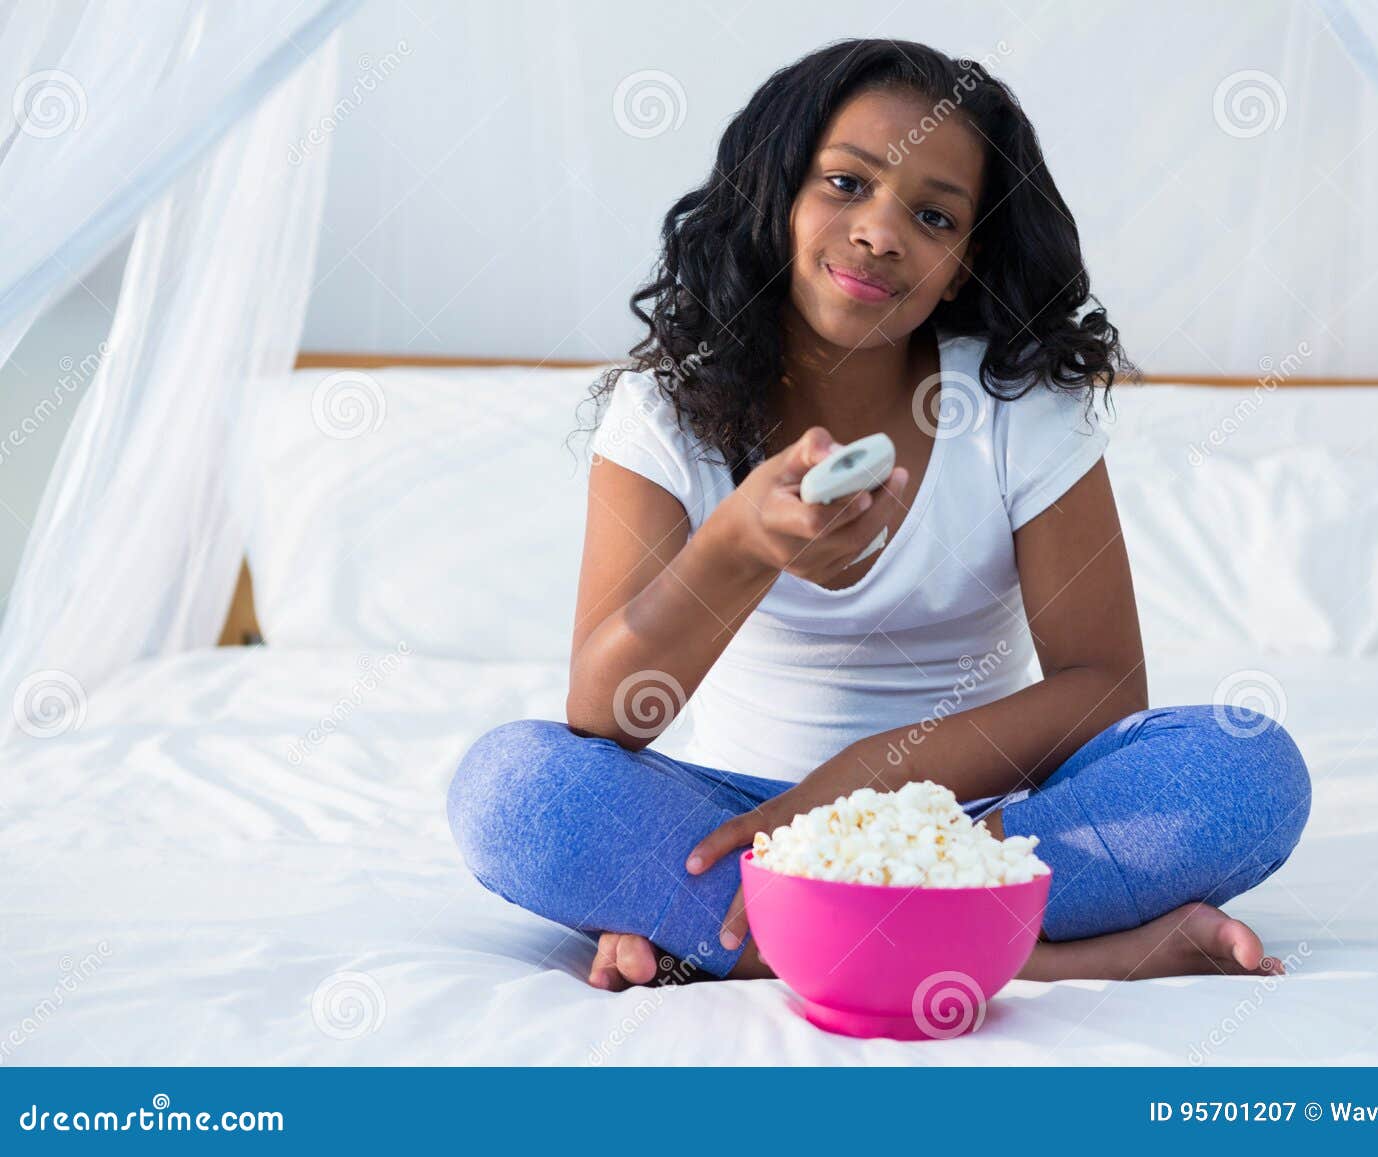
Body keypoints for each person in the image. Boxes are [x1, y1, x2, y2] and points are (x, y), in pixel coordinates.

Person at [448, 38, 1311, 991]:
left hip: (974, 818)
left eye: (934, 215)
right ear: (777, 194)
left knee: (1246, 768)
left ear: (963, 262)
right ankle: (1020, 949)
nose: (880, 231)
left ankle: (761, 939)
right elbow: (603, 716)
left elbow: (1105, 686)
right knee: (513, 789)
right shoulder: (664, 410)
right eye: (846, 183)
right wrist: (739, 546)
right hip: (734, 818)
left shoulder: (1017, 404)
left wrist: (858, 784)